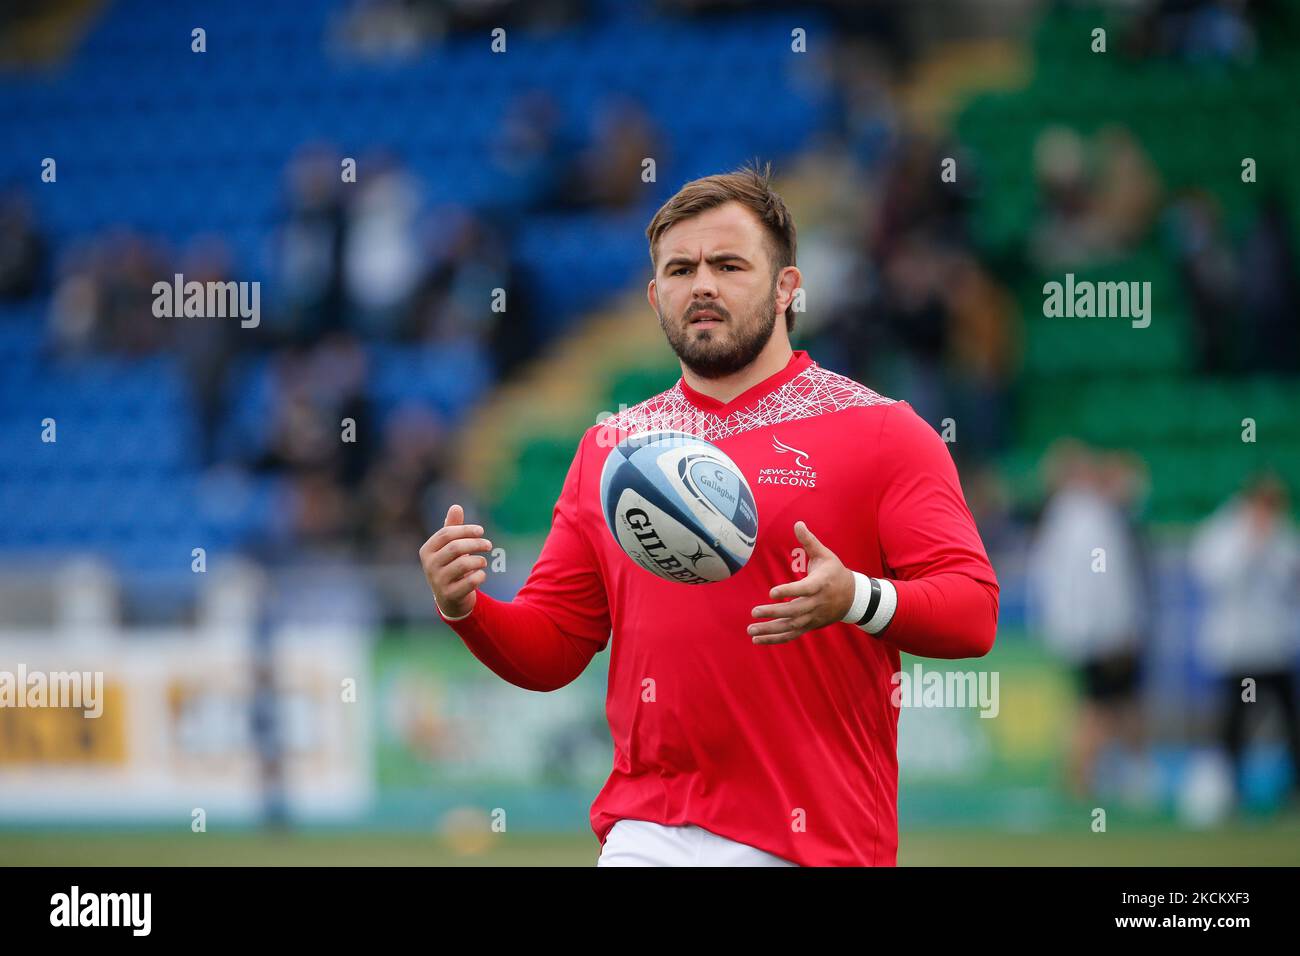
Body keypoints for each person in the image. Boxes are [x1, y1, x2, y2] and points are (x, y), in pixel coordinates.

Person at [419, 162, 999, 866]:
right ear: (654, 292)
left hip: (815, 840)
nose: (702, 284)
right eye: (681, 268)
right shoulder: (612, 451)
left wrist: (855, 597)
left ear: (788, 286)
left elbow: (972, 612)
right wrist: (466, 608)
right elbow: (554, 646)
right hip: (647, 832)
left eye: (729, 264)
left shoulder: (883, 431)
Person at [1028, 440, 1148, 801]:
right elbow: (1103, 580)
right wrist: (1117, 629)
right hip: (1100, 633)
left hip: (1084, 630)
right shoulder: (1088, 517)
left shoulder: (1066, 517)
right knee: (1098, 709)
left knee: (1102, 707)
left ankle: (1092, 779)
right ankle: (1083, 780)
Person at [1189, 472, 1300, 805]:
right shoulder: (1223, 532)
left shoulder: (1283, 532)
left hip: (1274, 647)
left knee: (1288, 718)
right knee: (1236, 722)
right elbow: (1213, 577)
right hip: (1238, 651)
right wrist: (1251, 545)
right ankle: (1231, 789)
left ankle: (1292, 790)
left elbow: (1290, 579)